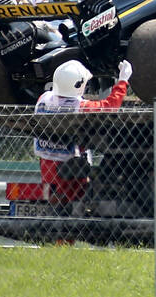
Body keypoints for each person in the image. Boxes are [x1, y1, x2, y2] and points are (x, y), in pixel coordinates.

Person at [34, 60, 132, 205]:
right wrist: (123, 80)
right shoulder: (79, 106)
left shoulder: (43, 98)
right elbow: (110, 106)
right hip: (69, 171)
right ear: (77, 85)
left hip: (47, 167)